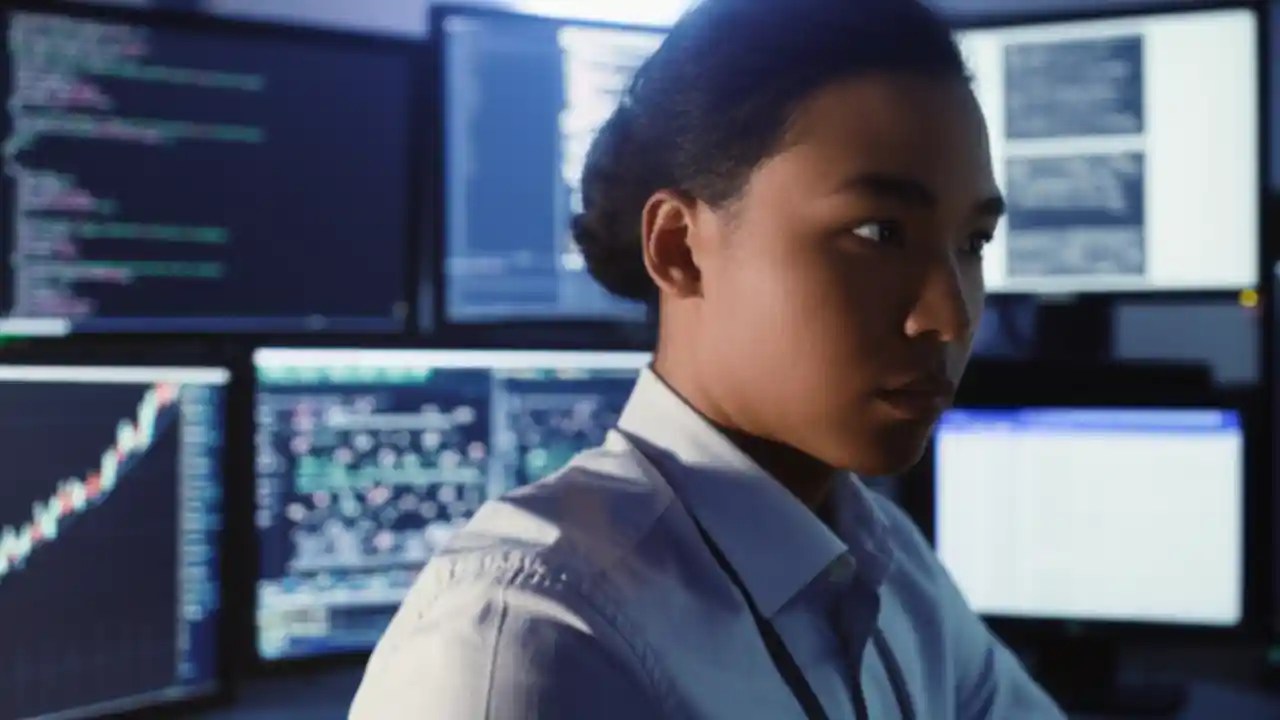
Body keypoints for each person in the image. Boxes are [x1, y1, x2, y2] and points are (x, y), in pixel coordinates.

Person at [351, 0, 1066, 717]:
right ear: (679, 249)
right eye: (880, 233)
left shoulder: (893, 569)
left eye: (972, 243)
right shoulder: (533, 636)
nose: (948, 317)